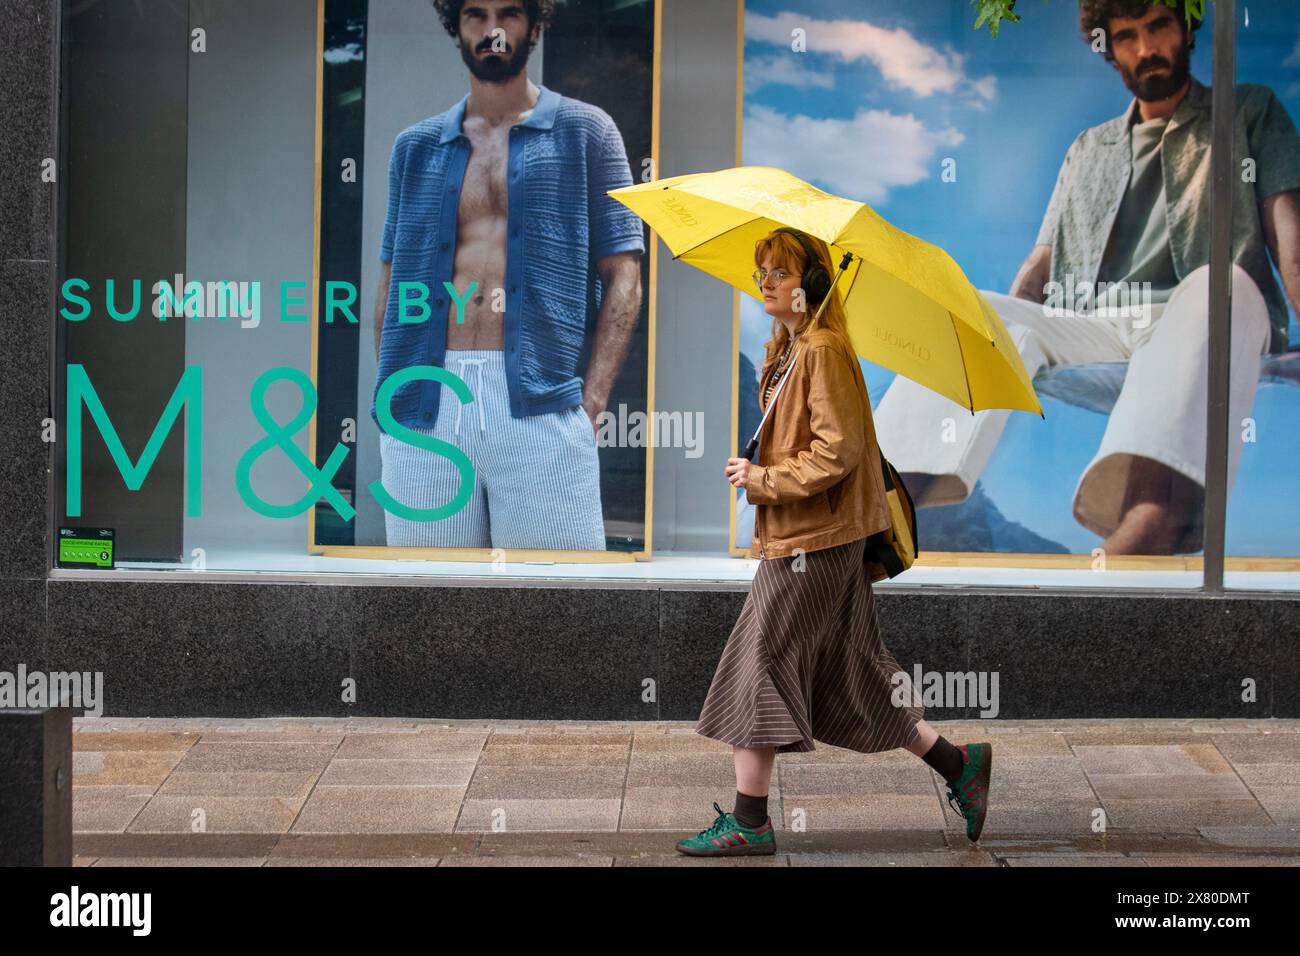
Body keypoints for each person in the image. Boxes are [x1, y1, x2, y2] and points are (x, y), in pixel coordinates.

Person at [871, 0, 1300, 555]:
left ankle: (1153, 517)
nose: (1146, 50)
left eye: (1159, 27)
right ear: (1109, 48)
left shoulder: (1247, 113)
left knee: (1221, 281)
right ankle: (880, 507)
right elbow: (1040, 265)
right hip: (1100, 329)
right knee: (979, 307)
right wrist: (1005, 328)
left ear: (1187, 29)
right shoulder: (1087, 149)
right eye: (1126, 37)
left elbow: (1291, 240)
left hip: (1203, 316)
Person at [676, 229, 992, 857]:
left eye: (781, 273)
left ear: (811, 285)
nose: (765, 281)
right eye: (760, 270)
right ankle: (961, 766)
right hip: (809, 538)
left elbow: (839, 452)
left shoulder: (820, 349)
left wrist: (763, 479)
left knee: (756, 663)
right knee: (858, 671)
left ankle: (750, 821)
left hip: (812, 543)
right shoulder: (793, 348)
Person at [371, 0, 645, 550]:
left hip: (541, 398)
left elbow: (625, 278)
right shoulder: (416, 147)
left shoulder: (586, 132)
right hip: (425, 401)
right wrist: (391, 389)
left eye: (509, 13)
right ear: (456, 28)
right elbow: (391, 280)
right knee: (425, 609)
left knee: (557, 606)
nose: (491, 29)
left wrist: (590, 402)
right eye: (475, 14)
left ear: (536, 24)